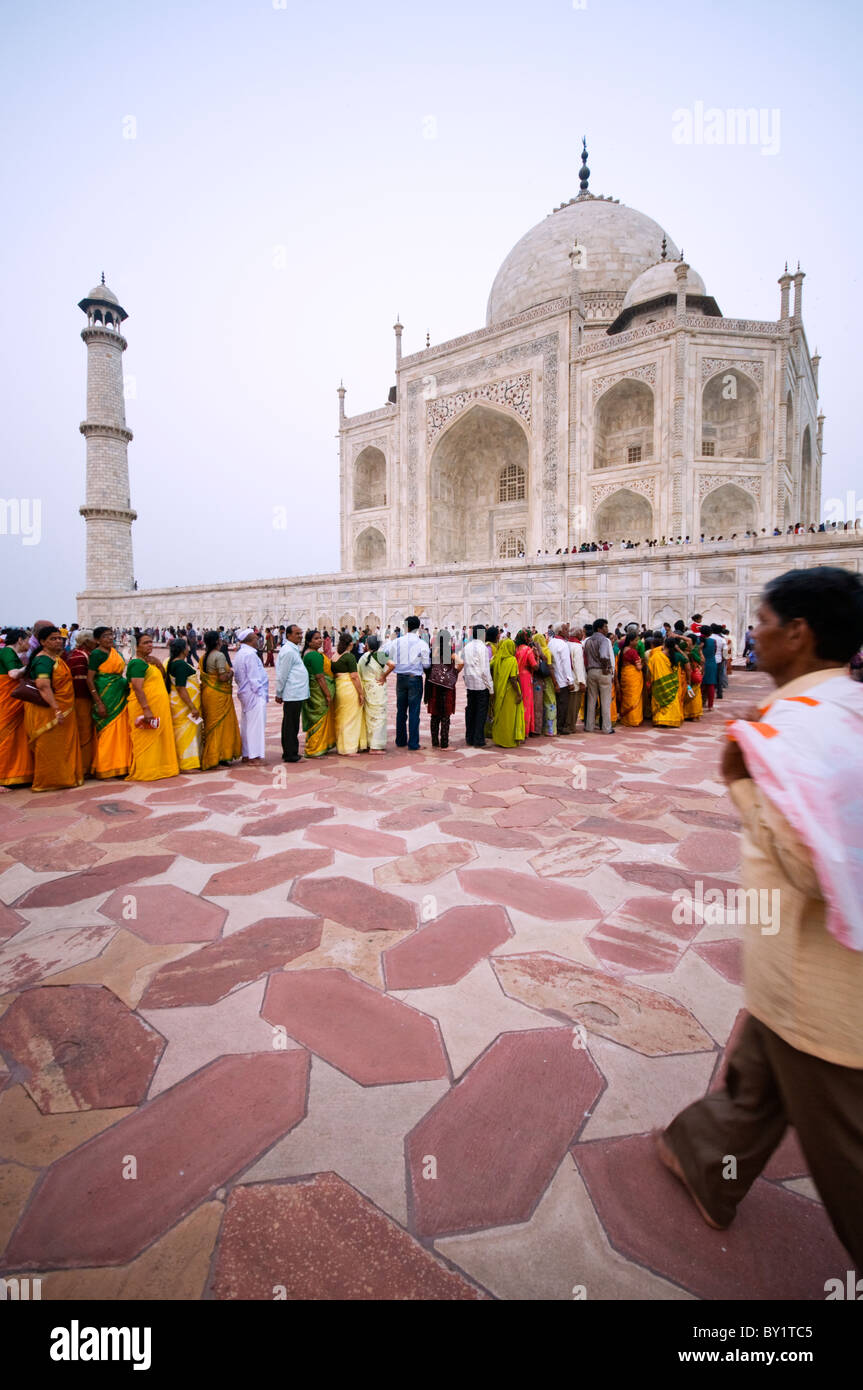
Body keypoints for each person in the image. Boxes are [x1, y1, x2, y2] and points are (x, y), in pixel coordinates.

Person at [659, 566, 863, 1265]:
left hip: (827, 994)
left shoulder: (803, 731)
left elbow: (810, 866)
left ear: (798, 634)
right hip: (793, 976)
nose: (753, 634)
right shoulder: (846, 710)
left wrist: (742, 783)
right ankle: (702, 1156)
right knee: (756, 1078)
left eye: (763, 623)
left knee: (847, 1158)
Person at [23, 625, 83, 792]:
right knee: (49, 746)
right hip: (49, 711)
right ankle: (49, 781)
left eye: (59, 638)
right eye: (53, 639)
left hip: (63, 709)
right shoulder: (43, 660)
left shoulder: (55, 658)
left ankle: (65, 777)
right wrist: (56, 708)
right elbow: (43, 686)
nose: (58, 641)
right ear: (42, 642)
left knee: (62, 746)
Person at [125, 633, 179, 782]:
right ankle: (147, 771)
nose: (149, 645)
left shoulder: (148, 663)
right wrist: (146, 709)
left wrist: (158, 664)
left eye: (150, 642)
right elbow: (137, 687)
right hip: (145, 708)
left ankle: (161, 768)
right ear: (136, 646)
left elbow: (160, 678)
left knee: (158, 739)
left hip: (157, 706)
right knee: (147, 739)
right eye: (145, 643)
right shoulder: (137, 663)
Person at [88, 626, 132, 779]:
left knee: (121, 730)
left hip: (119, 693)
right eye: (105, 636)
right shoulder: (96, 654)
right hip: (105, 695)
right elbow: (90, 679)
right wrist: (98, 702)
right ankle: (106, 767)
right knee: (108, 731)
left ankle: (121, 765)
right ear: (97, 640)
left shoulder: (117, 653)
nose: (109, 638)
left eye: (111, 635)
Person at [383, 615, 429, 751]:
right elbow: (426, 665)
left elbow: (382, 653)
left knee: (401, 711)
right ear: (418, 627)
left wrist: (392, 665)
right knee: (414, 712)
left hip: (401, 679)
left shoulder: (397, 642)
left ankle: (400, 740)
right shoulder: (422, 644)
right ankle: (413, 743)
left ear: (406, 627)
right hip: (415, 679)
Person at [201, 629, 242, 769]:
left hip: (209, 693)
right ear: (217, 641)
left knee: (212, 726)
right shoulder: (219, 656)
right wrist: (231, 673)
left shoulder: (205, 656)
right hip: (218, 696)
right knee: (219, 726)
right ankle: (215, 758)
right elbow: (222, 677)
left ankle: (219, 755)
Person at [0, 628, 34, 787]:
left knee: (14, 738)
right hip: (8, 699)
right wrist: (32, 665)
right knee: (6, 738)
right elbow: (13, 674)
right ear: (19, 640)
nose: (28, 643)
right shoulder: (7, 652)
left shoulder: (11, 653)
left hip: (11, 698)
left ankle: (15, 774)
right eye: (27, 640)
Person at [232, 627, 269, 765]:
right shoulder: (250, 655)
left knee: (247, 724)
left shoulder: (241, 653)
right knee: (255, 725)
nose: (258, 640)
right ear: (250, 640)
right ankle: (254, 757)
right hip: (254, 694)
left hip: (245, 693)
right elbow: (254, 677)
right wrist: (260, 693)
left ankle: (247, 754)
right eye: (255, 638)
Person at [166, 636, 203, 771]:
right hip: (184, 706)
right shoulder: (180, 664)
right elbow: (181, 688)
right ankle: (187, 764)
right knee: (186, 734)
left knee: (184, 733)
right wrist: (192, 707)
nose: (189, 649)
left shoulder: (174, 662)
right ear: (183, 650)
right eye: (187, 646)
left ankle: (187, 762)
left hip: (179, 704)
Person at [275, 623, 309, 763]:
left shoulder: (293, 649)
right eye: (297, 634)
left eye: (301, 633)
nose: (300, 636)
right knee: (290, 724)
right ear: (288, 635)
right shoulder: (288, 651)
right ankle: (290, 754)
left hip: (296, 692)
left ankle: (290, 751)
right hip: (292, 693)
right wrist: (279, 692)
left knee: (292, 723)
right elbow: (282, 674)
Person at [301, 629, 337, 758]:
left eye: (320, 638)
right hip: (318, 692)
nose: (320, 640)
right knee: (319, 717)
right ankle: (315, 748)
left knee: (316, 718)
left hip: (312, 690)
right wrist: (327, 694)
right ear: (309, 642)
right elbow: (320, 677)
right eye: (316, 638)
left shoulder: (309, 653)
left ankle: (316, 745)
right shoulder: (314, 655)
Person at [332, 631, 368, 755]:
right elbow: (354, 677)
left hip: (339, 687)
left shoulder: (334, 656)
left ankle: (341, 745)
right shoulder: (349, 657)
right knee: (351, 718)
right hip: (349, 689)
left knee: (342, 717)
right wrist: (361, 693)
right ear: (350, 644)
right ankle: (349, 748)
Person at [66, 629, 96, 776]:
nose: (96, 642)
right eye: (93, 640)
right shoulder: (80, 656)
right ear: (86, 642)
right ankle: (84, 767)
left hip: (85, 698)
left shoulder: (82, 654)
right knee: (84, 731)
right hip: (81, 699)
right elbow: (80, 683)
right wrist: (95, 698)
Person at [459, 624, 494, 748]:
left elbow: (465, 666)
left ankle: (469, 737)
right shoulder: (482, 648)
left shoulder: (467, 646)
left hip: (470, 684)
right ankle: (478, 739)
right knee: (480, 712)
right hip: (480, 685)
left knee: (471, 711)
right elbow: (485, 670)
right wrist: (491, 688)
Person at [425, 630, 458, 749]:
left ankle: (434, 742)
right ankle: (444, 744)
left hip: (434, 685)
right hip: (447, 687)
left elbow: (427, 667)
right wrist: (454, 672)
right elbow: (461, 662)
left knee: (435, 713)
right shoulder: (449, 652)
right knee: (445, 714)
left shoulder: (433, 651)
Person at [358, 634, 392, 752]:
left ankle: (368, 743)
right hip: (378, 688)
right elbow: (392, 665)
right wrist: (384, 676)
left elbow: (359, 674)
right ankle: (375, 746)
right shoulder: (380, 655)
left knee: (369, 716)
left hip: (367, 689)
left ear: (367, 645)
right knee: (379, 717)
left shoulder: (362, 658)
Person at [490, 637, 525, 747]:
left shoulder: (496, 659)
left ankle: (500, 738)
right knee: (509, 717)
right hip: (510, 692)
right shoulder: (512, 660)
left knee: (501, 715)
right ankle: (508, 740)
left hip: (499, 691)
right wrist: (519, 694)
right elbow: (513, 679)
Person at [584, 619, 615, 733]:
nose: (607, 629)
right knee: (605, 701)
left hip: (591, 671)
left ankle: (589, 726)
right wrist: (607, 667)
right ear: (599, 629)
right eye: (605, 627)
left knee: (591, 700)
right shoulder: (604, 640)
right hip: (602, 671)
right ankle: (607, 728)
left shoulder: (588, 641)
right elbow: (603, 655)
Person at [647, 634, 683, 727]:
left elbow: (650, 670)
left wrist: (649, 681)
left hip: (659, 684)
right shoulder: (675, 656)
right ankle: (672, 720)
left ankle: (661, 721)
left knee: (659, 701)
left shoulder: (656, 656)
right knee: (672, 701)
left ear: (664, 644)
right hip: (671, 684)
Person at [548, 623, 575, 735]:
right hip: (562, 681)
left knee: (555, 705)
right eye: (565, 629)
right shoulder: (562, 644)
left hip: (553, 679)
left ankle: (554, 727)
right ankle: (560, 727)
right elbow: (566, 664)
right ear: (559, 631)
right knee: (563, 705)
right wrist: (570, 681)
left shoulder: (550, 642)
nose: (567, 631)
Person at [616, 630, 645, 727]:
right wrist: (643, 663)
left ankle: (626, 718)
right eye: (636, 640)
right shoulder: (633, 652)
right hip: (632, 677)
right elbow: (638, 667)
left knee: (627, 697)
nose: (637, 643)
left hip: (625, 675)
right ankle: (633, 720)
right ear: (630, 641)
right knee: (633, 697)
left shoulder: (622, 651)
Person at [513, 629, 538, 736]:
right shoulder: (528, 650)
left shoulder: (515, 649)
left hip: (516, 677)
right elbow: (535, 666)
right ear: (526, 638)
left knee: (519, 704)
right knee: (527, 704)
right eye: (529, 637)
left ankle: (518, 729)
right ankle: (525, 730)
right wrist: (537, 655)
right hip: (525, 678)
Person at [532, 630, 557, 736]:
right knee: (550, 703)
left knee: (537, 705)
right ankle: (550, 730)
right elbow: (550, 668)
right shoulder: (546, 651)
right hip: (546, 680)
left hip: (535, 681)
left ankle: (538, 728)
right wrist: (555, 683)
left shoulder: (532, 650)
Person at [701, 625, 719, 710]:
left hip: (700, 662)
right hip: (711, 662)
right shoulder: (713, 641)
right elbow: (714, 651)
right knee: (710, 684)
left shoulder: (698, 640)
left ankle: (700, 703)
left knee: (700, 684)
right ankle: (710, 706)